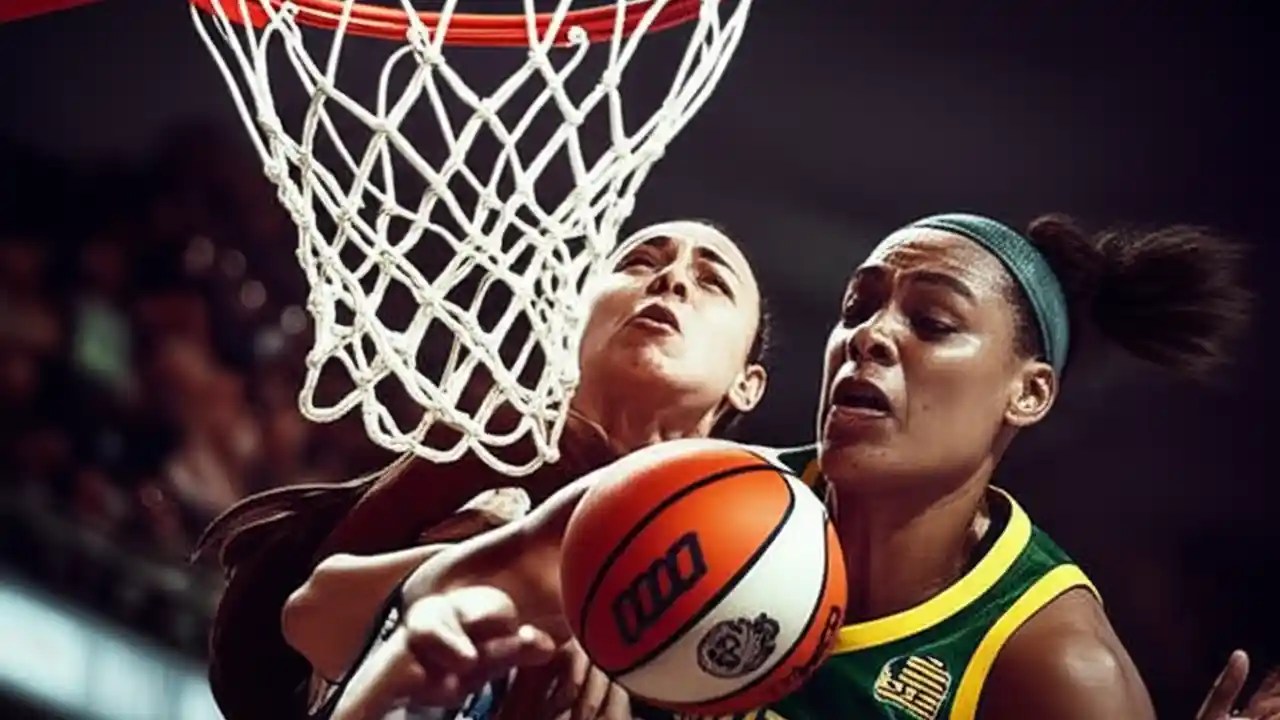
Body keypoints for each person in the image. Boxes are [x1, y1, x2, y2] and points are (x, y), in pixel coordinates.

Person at [322, 211, 1252, 720]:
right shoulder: (689, 501)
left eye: (930, 323)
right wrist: (466, 632)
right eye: (858, 307)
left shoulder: (1049, 666)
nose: (870, 338)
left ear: (1029, 393)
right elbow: (328, 622)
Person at [193, 218, 774, 719]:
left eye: (711, 282)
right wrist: (526, 580)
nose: (670, 280)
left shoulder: (757, 561)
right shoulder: (468, 468)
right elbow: (303, 622)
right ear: (579, 314)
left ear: (746, 386)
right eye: (638, 262)